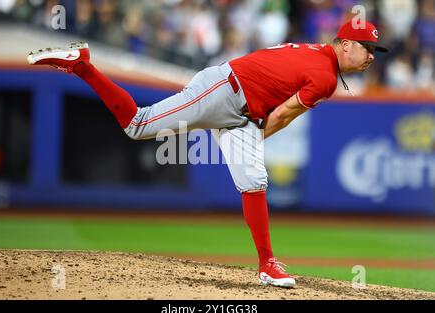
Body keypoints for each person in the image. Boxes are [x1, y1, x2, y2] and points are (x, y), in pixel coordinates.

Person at [27, 19, 387, 288]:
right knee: (137, 124)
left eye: (375, 51)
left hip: (243, 111)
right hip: (223, 91)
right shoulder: (324, 77)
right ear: (344, 45)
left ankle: (267, 265)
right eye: (366, 48)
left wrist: (250, 139)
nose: (372, 56)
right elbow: (282, 115)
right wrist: (258, 138)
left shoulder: (315, 54)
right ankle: (82, 65)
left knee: (254, 180)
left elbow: (274, 103)